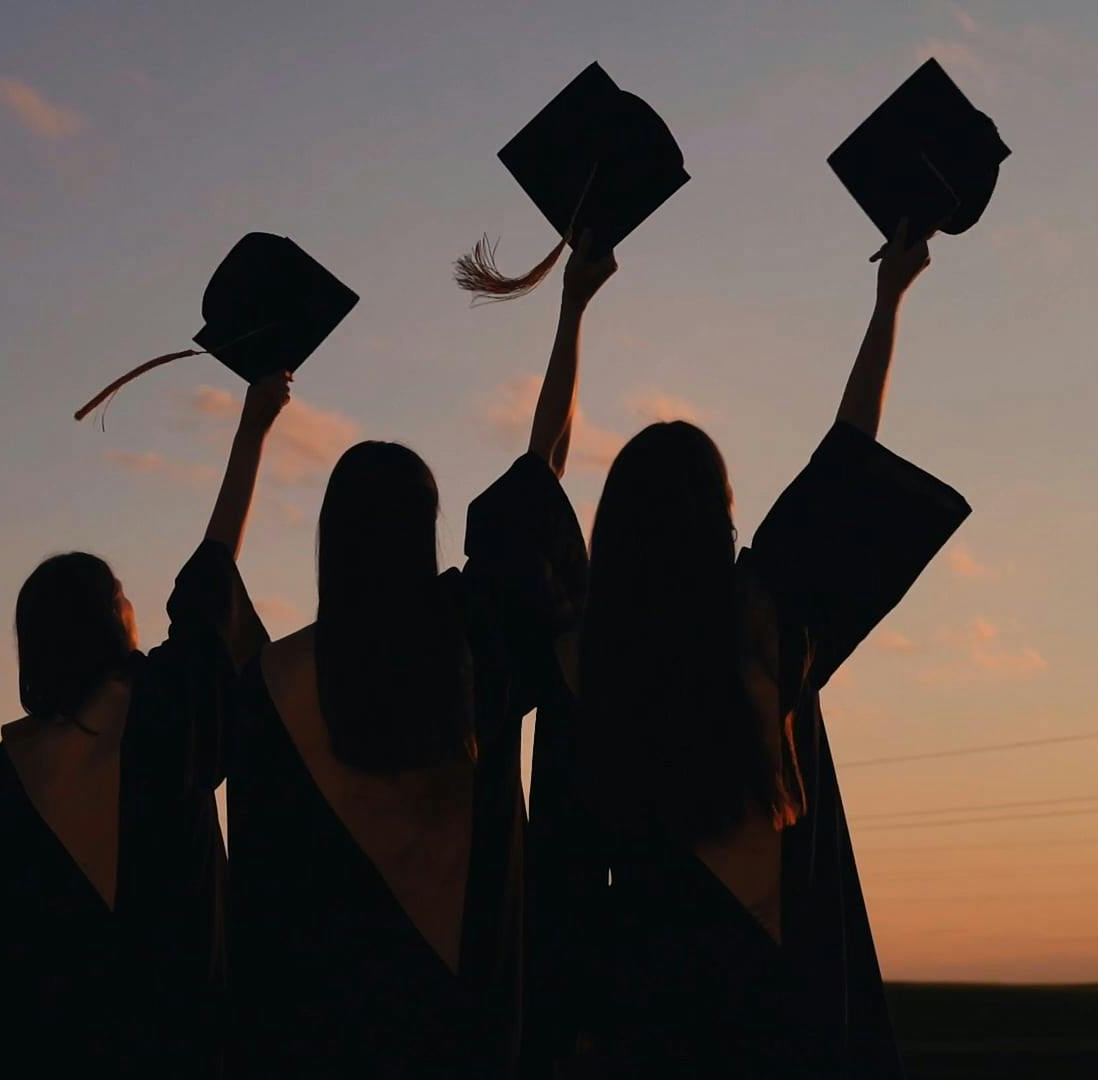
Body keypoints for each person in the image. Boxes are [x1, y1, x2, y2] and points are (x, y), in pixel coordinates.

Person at [471, 222, 970, 1077]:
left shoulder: (578, 666)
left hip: (649, 1023)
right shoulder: (766, 625)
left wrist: (573, 307)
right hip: (789, 1015)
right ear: (720, 516)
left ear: (614, 530)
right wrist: (888, 299)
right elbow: (848, 455)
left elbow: (537, 482)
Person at [223, 378, 578, 1073]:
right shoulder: (479, 637)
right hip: (475, 1029)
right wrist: (573, 310)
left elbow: (259, 904)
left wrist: (253, 427)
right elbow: (541, 477)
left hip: (328, 1034)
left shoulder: (272, 683)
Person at [0, 373, 289, 1077]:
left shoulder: (6, 778)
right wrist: (251, 430)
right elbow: (212, 579)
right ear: (111, 621)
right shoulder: (163, 708)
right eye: (120, 594)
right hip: (182, 1045)